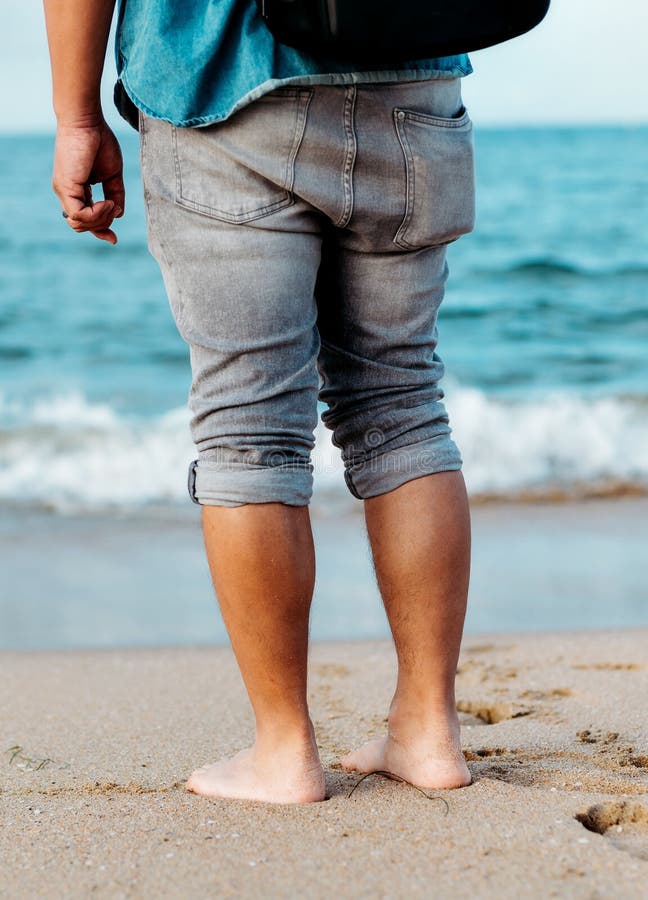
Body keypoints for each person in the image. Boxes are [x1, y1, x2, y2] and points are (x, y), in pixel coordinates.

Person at [44, 0, 475, 804]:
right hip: (415, 81)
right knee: (404, 404)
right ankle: (429, 729)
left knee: (250, 433)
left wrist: (76, 116)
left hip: (218, 85)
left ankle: (284, 751)